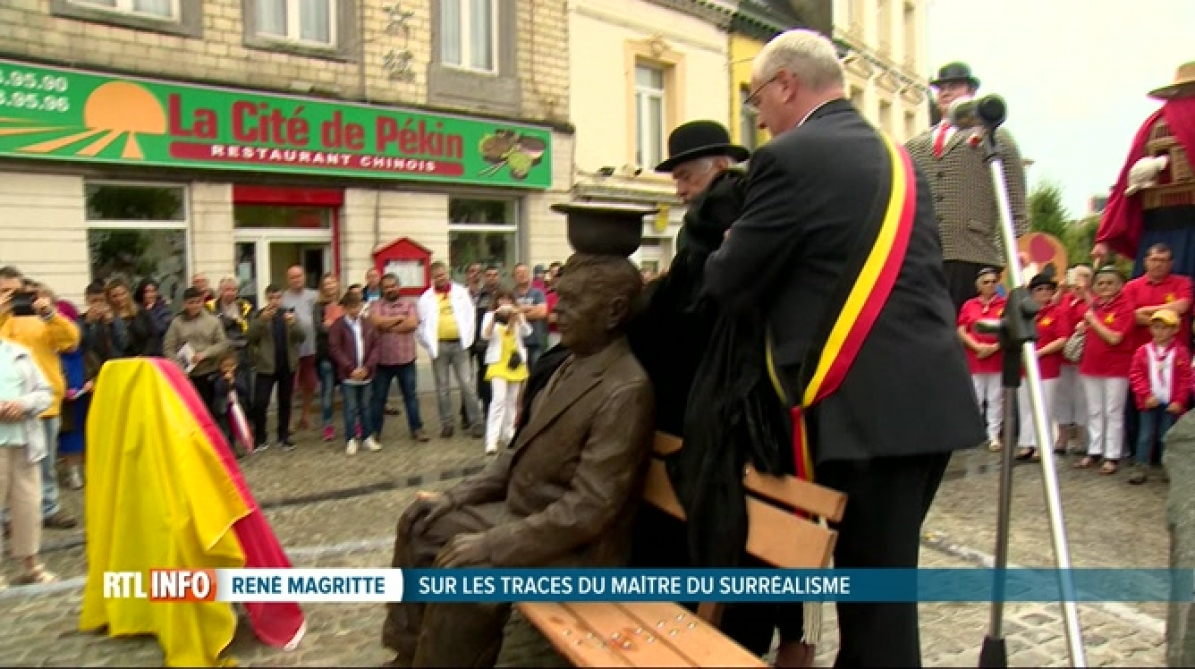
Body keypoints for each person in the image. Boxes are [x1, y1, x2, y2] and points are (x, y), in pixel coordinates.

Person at [701, 30, 985, 666]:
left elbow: (727, 279)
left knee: (877, 614)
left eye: (757, 99)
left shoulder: (791, 157)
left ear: (786, 85)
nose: (759, 116)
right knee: (879, 597)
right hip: (928, 405)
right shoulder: (900, 158)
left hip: (862, 417)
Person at [381, 253, 654, 667]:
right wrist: (454, 499)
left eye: (570, 302)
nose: (555, 310)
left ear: (613, 311)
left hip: (575, 550)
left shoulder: (625, 388)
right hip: (521, 516)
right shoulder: (569, 365)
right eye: (557, 298)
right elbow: (513, 457)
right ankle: (409, 653)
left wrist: (492, 544)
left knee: (464, 574)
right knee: (421, 521)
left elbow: (588, 511)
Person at [905, 61, 1029, 311]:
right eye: (941, 88)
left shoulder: (994, 136)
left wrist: (1018, 246)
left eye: (954, 86)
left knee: (970, 327)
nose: (946, 92)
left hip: (974, 251)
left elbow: (1014, 197)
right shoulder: (916, 145)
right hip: (924, 253)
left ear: (971, 92)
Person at [1095, 62, 1195, 284]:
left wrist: (1105, 236)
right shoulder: (1155, 123)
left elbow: (1124, 186)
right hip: (1165, 223)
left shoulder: (1153, 124)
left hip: (1159, 225)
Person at [0, 332, 57, 587]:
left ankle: (31, 564)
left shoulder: (18, 352)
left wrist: (23, 404)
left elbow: (45, 393)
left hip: (25, 442)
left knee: (29, 506)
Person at [1075, 265, 1135, 474]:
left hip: (1115, 368)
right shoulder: (1096, 306)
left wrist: (1093, 321)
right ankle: (1094, 450)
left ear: (1120, 285)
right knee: (1094, 410)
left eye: (1110, 283)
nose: (1104, 287)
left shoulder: (1126, 307)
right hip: (1091, 366)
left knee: (1113, 412)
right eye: (1100, 283)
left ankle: (1112, 454)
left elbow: (1114, 337)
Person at [415, 261, 484, 439]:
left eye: (443, 274)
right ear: (432, 278)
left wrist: (467, 339)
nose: (441, 278)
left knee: (467, 384)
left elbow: (470, 316)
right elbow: (421, 325)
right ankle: (447, 423)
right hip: (440, 346)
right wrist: (429, 344)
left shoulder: (461, 292)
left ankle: (476, 422)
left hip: (459, 345)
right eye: (437, 276)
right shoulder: (425, 298)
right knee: (442, 388)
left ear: (448, 274)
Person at [1127, 308, 1189, 484]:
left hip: (1170, 403)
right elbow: (1136, 374)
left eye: (1164, 328)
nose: (1159, 331)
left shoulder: (1180, 352)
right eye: (1156, 327)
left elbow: (1186, 377)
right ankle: (1141, 465)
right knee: (1145, 435)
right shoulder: (1143, 351)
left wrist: (1179, 400)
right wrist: (1146, 395)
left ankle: (1168, 466)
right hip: (1149, 402)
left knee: (1167, 436)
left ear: (1174, 329)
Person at [246, 285, 306, 451]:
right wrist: (262, 321)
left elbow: (302, 336)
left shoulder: (289, 314)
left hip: (287, 365)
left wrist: (293, 324)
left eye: (278, 297)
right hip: (266, 366)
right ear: (267, 298)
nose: (275, 301)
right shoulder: (258, 315)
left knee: (285, 402)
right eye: (272, 298)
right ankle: (260, 438)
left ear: (282, 298)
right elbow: (250, 336)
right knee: (261, 403)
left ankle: (283, 437)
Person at [478, 288, 531, 456]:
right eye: (502, 299)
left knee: (512, 401)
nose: (505, 303)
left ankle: (509, 435)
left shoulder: (517, 314)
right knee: (498, 400)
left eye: (508, 299)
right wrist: (495, 317)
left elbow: (527, 332)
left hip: (515, 362)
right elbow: (485, 336)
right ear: (497, 301)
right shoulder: (490, 315)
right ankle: (491, 440)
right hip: (498, 362)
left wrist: (517, 317)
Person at [329, 291, 383, 455]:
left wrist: (367, 367)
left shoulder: (367, 324)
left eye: (357, 306)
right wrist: (350, 368)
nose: (355, 310)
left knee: (366, 407)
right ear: (344, 308)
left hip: (366, 373)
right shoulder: (338, 326)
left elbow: (376, 346)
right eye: (351, 307)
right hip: (349, 375)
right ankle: (350, 439)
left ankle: (367, 437)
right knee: (350, 408)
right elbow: (335, 348)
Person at [210, 351, 251, 459]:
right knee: (226, 430)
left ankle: (238, 447)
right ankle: (228, 450)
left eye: (231, 366)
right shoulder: (218, 378)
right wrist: (225, 381)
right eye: (225, 366)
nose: (228, 369)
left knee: (236, 429)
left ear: (235, 366)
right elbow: (218, 391)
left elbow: (244, 389)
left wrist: (233, 382)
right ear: (220, 367)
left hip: (236, 408)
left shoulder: (239, 376)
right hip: (224, 409)